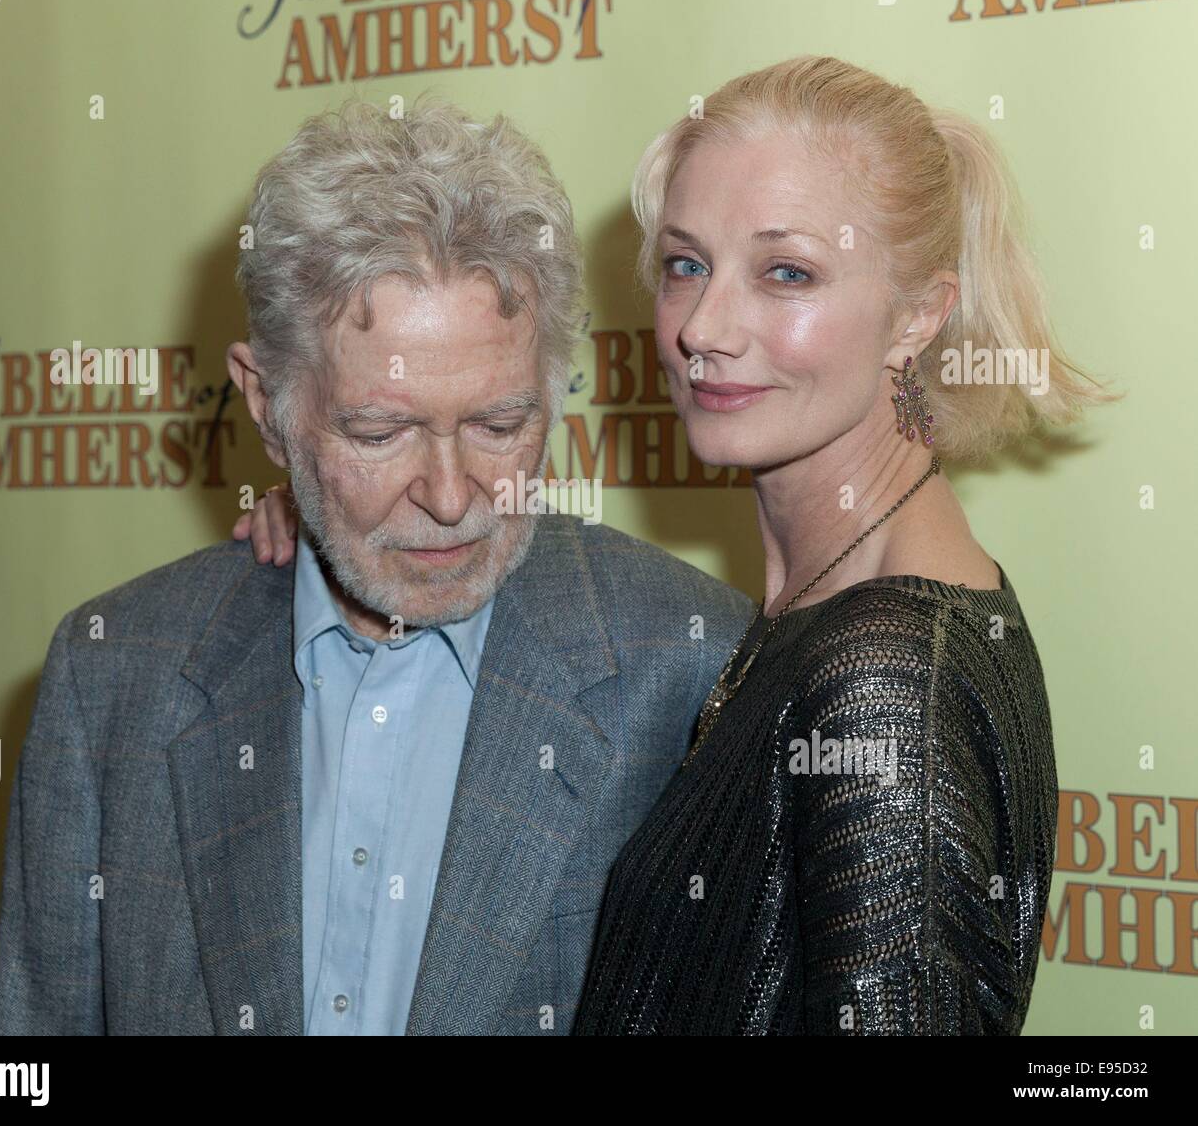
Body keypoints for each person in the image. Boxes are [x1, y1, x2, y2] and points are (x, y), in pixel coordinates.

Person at [243, 56, 1116, 1035]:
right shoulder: (819, 611)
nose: (703, 325)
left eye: (787, 273)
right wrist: (331, 505)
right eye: (685, 264)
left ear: (917, 314)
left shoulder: (886, 674)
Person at [0, 100, 754, 1036]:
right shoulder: (112, 678)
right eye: (379, 432)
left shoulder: (699, 669)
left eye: (499, 426)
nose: (447, 494)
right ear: (266, 403)